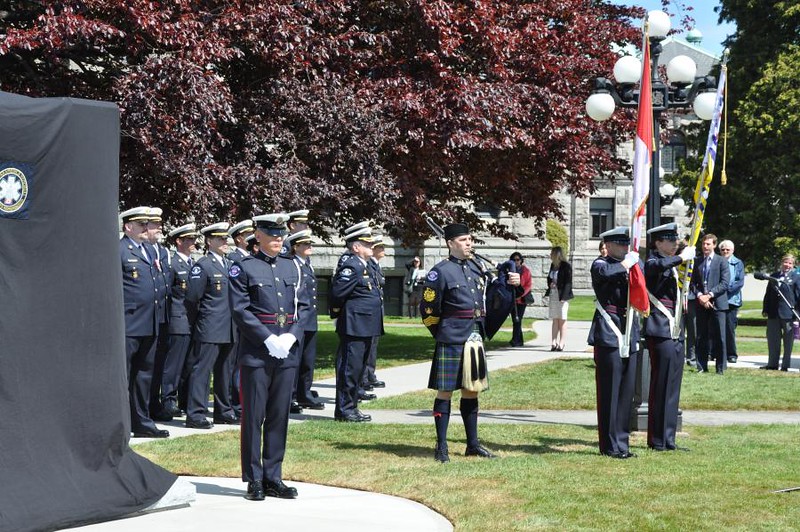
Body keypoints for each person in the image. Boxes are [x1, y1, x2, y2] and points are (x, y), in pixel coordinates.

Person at [420, 223, 520, 462]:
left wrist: (511, 280)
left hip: (474, 334)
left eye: (470, 240)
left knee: (471, 390)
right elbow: (428, 311)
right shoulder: (440, 272)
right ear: (450, 243)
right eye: (464, 240)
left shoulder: (477, 267)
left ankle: (472, 444)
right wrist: (443, 333)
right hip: (451, 335)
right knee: (445, 392)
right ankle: (441, 446)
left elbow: (494, 293)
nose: (469, 244)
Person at [228, 213, 309, 501]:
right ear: (257, 236)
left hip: (286, 351)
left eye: (281, 234)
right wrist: (267, 337)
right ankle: (254, 479)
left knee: (279, 416)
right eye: (271, 234)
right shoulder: (244, 267)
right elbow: (240, 310)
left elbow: (306, 308)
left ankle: (274, 476)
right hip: (257, 354)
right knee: (253, 416)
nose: (278, 239)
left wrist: (291, 335)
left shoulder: (292, 267)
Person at [588, 227, 640, 459]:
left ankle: (622, 442)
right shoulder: (600, 263)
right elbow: (606, 274)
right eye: (619, 244)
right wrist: (626, 265)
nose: (624, 247)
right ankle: (609, 445)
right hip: (609, 331)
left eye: (626, 243)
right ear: (607, 246)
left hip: (629, 329)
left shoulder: (631, 264)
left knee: (626, 391)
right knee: (610, 391)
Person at [643, 223, 695, 452]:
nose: (675, 243)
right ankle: (656, 439)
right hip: (660, 330)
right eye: (670, 239)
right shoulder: (653, 262)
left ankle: (668, 438)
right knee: (660, 385)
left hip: (675, 330)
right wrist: (682, 257)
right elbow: (659, 268)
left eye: (676, 239)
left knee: (673, 386)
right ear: (658, 243)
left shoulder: (674, 266)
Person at [119, 207, 169, 438]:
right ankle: (120, 422)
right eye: (141, 224)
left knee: (144, 375)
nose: (145, 228)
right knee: (124, 375)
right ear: (128, 226)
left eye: (146, 224)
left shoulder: (149, 250)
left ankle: (141, 421)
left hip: (150, 322)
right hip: (129, 323)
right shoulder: (119, 250)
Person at [185, 222, 238, 428]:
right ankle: (195, 414)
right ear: (209, 241)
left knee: (225, 370)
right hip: (210, 326)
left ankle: (223, 411)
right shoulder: (203, 265)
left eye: (226, 238)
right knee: (202, 371)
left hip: (229, 326)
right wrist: (201, 321)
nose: (225, 242)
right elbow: (192, 298)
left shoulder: (229, 264)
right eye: (220, 239)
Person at [329, 222, 383, 422]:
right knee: (349, 370)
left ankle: (352, 406)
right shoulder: (352, 265)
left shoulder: (365, 265)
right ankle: (344, 410)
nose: (371, 247)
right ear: (356, 247)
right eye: (366, 244)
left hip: (366, 326)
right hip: (355, 326)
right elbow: (336, 294)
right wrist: (341, 315)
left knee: (358, 371)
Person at [161, 222, 198, 418]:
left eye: (193, 239)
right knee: (174, 365)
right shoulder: (173, 264)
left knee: (189, 364)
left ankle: (184, 400)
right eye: (189, 239)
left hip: (193, 320)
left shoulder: (194, 264)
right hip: (178, 319)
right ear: (179, 241)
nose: (193, 242)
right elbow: (168, 293)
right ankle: (168, 400)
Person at [285, 229, 324, 410]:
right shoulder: (293, 265)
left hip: (310, 319)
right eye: (305, 244)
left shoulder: (307, 264)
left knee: (308, 360)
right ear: (296, 247)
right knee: (295, 360)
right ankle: (290, 396)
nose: (309, 247)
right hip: (299, 320)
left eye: (310, 244)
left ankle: (304, 393)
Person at [144, 207, 174, 422]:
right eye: (154, 224)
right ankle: (142, 407)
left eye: (158, 224)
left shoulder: (162, 252)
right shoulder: (139, 251)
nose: (158, 228)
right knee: (143, 367)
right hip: (144, 317)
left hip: (162, 316)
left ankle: (154, 404)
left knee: (157, 364)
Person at [689, 233, 729, 374]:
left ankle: (720, 367)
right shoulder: (697, 261)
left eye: (708, 244)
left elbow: (725, 283)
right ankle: (701, 366)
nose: (705, 246)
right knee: (701, 335)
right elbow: (692, 283)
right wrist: (700, 296)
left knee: (719, 336)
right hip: (701, 304)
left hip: (718, 303)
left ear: (714, 245)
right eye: (703, 244)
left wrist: (710, 295)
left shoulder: (721, 261)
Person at [761, 254, 800, 371]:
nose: (787, 265)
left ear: (793, 265)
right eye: (785, 262)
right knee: (773, 339)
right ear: (781, 263)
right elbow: (768, 294)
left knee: (788, 341)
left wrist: (797, 314)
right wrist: (765, 309)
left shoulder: (796, 278)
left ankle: (785, 365)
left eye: (790, 263)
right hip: (773, 313)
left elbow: (798, 296)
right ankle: (772, 364)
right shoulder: (774, 276)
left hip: (789, 314)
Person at [361, 233, 387, 394]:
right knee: (367, 346)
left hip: (377, 310)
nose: (383, 250)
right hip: (369, 312)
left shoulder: (375, 265)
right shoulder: (368, 265)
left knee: (373, 345)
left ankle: (370, 374)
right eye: (380, 247)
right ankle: (364, 377)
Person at [719, 240, 744, 364]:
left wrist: (725, 290)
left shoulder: (738, 263)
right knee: (716, 328)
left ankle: (731, 354)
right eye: (723, 249)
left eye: (727, 249)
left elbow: (739, 282)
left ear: (732, 250)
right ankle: (716, 353)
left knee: (729, 329)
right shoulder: (717, 261)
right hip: (717, 299)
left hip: (731, 300)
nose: (725, 251)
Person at [545, 246, 573, 351]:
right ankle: (553, 342)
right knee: (555, 318)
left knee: (562, 319)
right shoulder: (553, 265)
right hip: (553, 294)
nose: (550, 255)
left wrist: (564, 297)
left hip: (562, 296)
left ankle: (562, 342)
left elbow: (568, 282)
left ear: (557, 254)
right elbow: (549, 278)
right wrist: (550, 283)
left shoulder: (566, 266)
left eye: (552, 253)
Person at [509, 251, 533, 347]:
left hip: (521, 300)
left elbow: (528, 285)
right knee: (515, 320)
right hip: (512, 299)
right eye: (514, 260)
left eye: (518, 260)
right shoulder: (509, 270)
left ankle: (516, 340)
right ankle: (519, 340)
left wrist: (521, 294)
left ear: (521, 260)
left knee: (518, 320)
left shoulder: (525, 271)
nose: (516, 262)